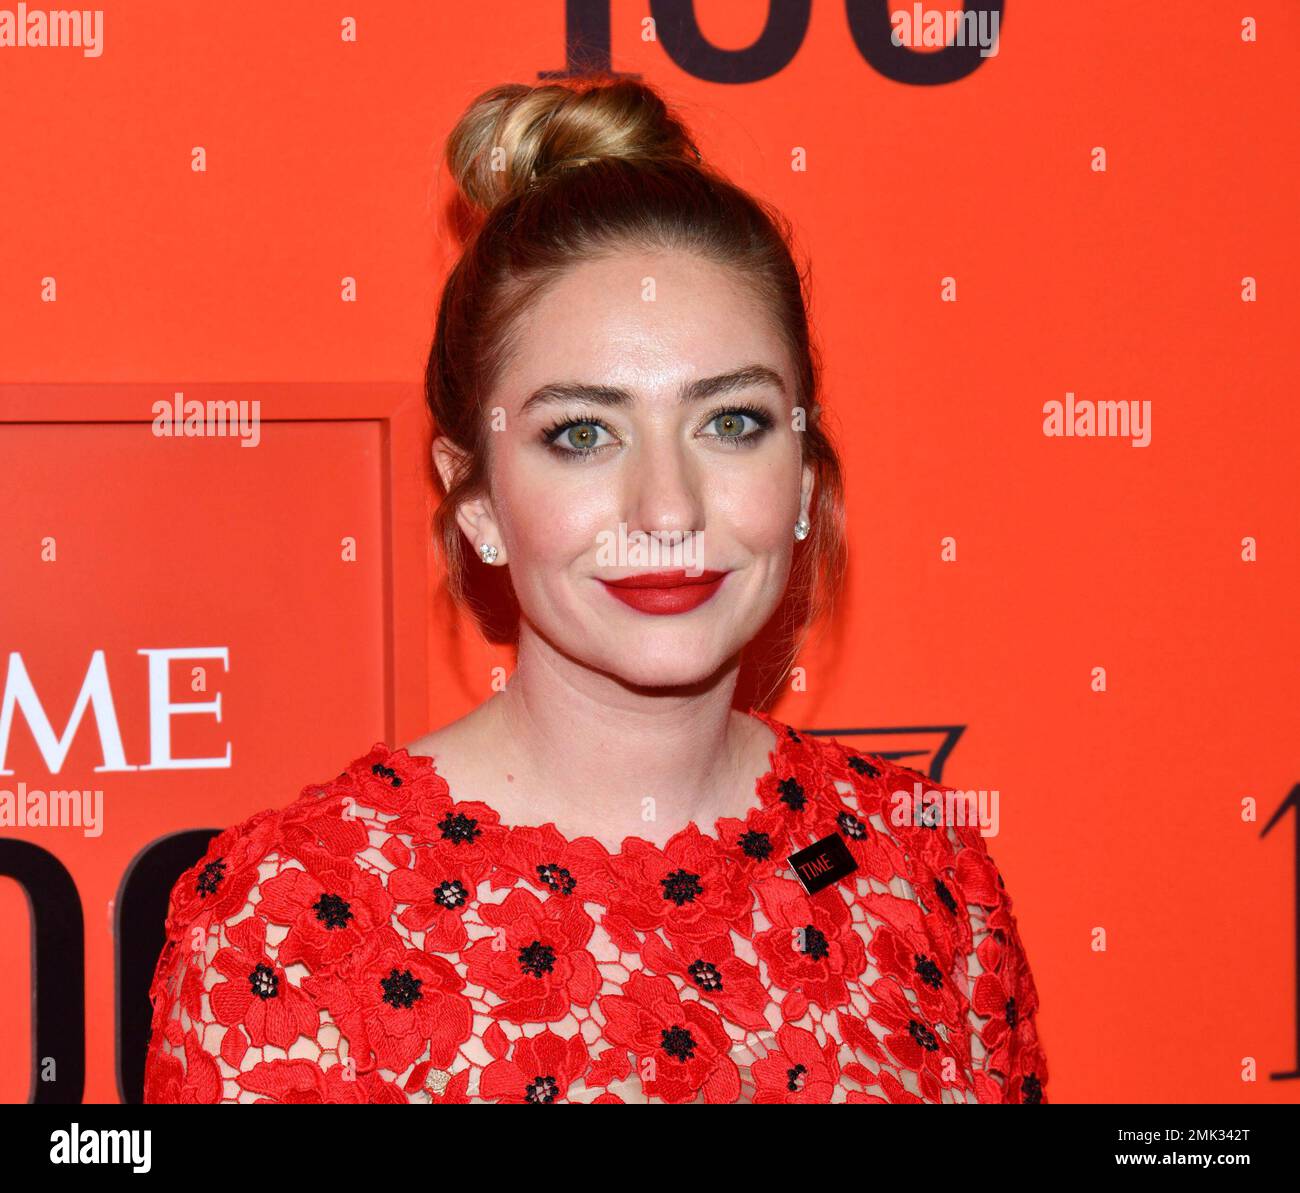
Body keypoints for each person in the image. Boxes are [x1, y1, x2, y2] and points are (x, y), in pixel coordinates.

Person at [143, 73, 1048, 1104]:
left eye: (731, 421)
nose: (665, 507)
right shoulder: (295, 921)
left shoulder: (920, 864)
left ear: (800, 475)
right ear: (474, 498)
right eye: (582, 433)